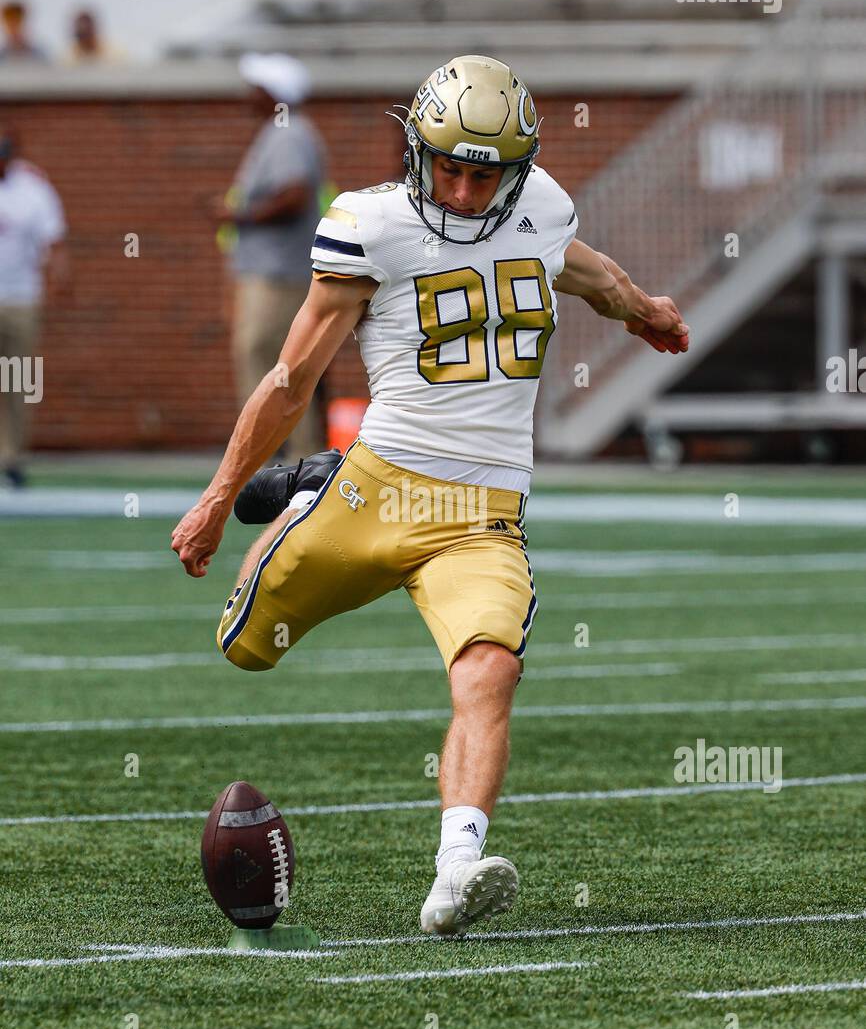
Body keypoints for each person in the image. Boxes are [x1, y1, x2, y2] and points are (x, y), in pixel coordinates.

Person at [172, 54, 688, 935]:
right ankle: (306, 496)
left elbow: (580, 269)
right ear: (418, 150)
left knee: (492, 667)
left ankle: (456, 869)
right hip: (376, 491)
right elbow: (293, 379)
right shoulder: (372, 226)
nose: (461, 190)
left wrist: (641, 307)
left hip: (483, 512)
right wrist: (219, 497)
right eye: (447, 165)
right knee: (243, 648)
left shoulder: (539, 210)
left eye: (483, 174)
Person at [211, 53, 327, 457]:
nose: (249, 95)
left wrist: (238, 215)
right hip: (270, 272)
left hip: (279, 275)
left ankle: (291, 460)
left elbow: (294, 195)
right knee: (273, 365)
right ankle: (273, 457)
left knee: (279, 364)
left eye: (257, 87)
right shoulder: (280, 133)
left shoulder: (289, 132)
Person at [0, 129, 69, 486]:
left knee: (16, 378)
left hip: (19, 298)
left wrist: (57, 281)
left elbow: (53, 239)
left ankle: (11, 456)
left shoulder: (32, 188)